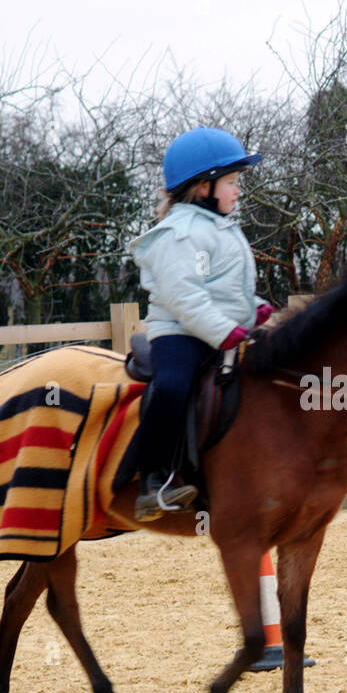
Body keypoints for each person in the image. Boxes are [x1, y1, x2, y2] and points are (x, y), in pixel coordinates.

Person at [125, 127, 273, 518]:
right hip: (179, 334)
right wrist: (227, 332)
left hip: (216, 331)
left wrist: (254, 308)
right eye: (231, 181)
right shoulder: (180, 233)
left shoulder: (220, 227)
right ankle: (152, 480)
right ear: (203, 186)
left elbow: (224, 288)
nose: (238, 190)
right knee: (174, 386)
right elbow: (186, 297)